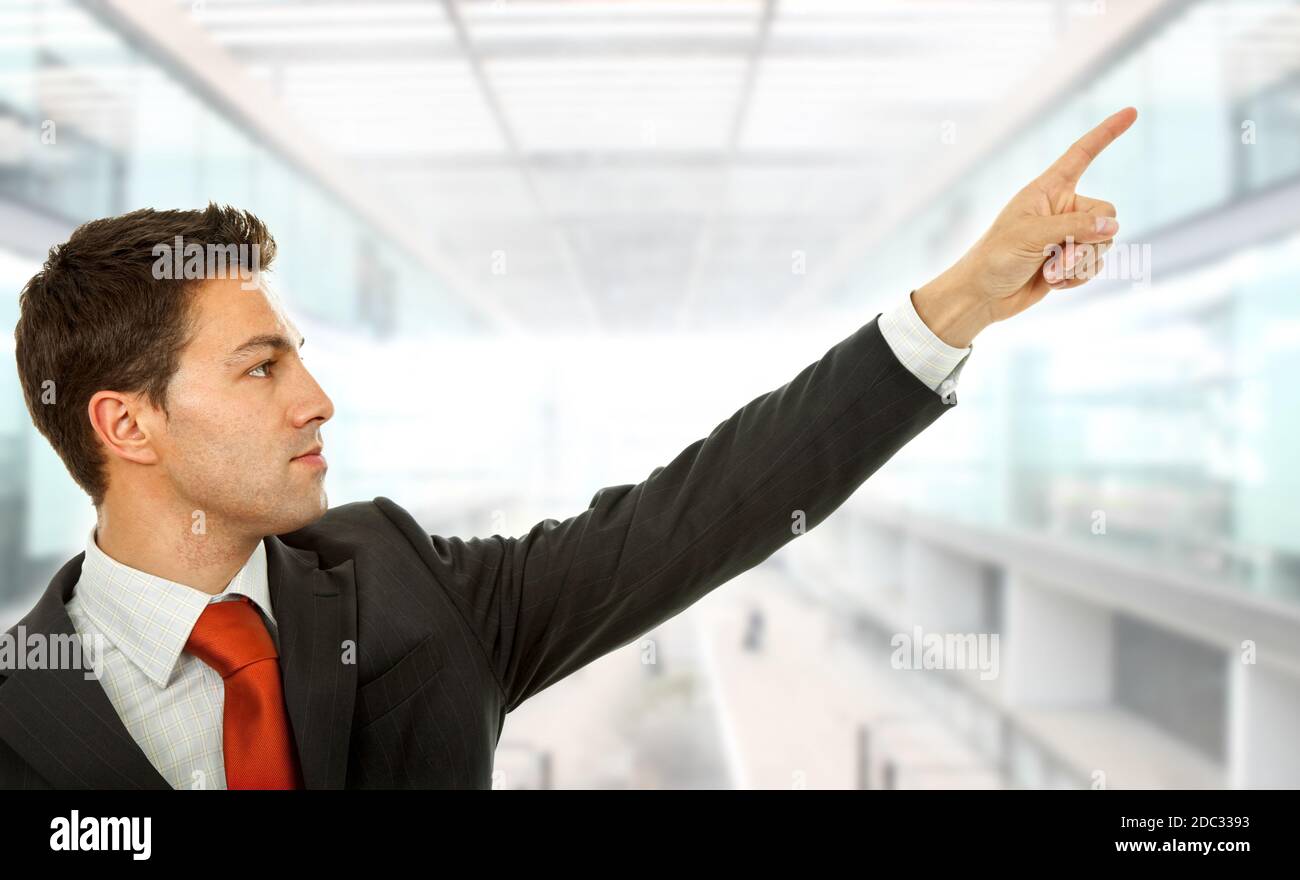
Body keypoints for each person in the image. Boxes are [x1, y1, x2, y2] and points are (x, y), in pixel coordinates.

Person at [0, 108, 1137, 789]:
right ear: (125, 423)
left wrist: (955, 306)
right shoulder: (18, 711)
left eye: (300, 354)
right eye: (262, 368)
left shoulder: (405, 585)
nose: (318, 399)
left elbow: (707, 510)